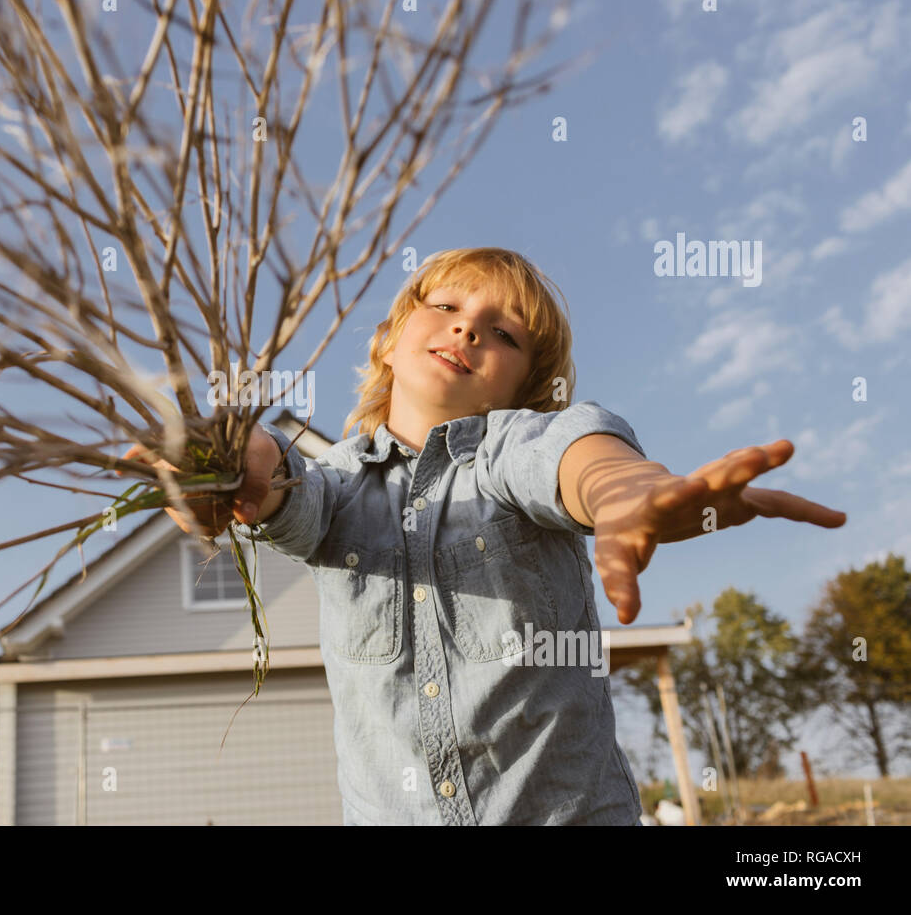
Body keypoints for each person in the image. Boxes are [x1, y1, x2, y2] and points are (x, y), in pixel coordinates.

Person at [131, 247, 846, 825]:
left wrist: (628, 493)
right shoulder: (339, 485)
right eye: (445, 307)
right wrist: (231, 471)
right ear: (386, 342)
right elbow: (287, 494)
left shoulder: (510, 450)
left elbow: (577, 456)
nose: (468, 328)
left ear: (524, 388)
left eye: (504, 334)